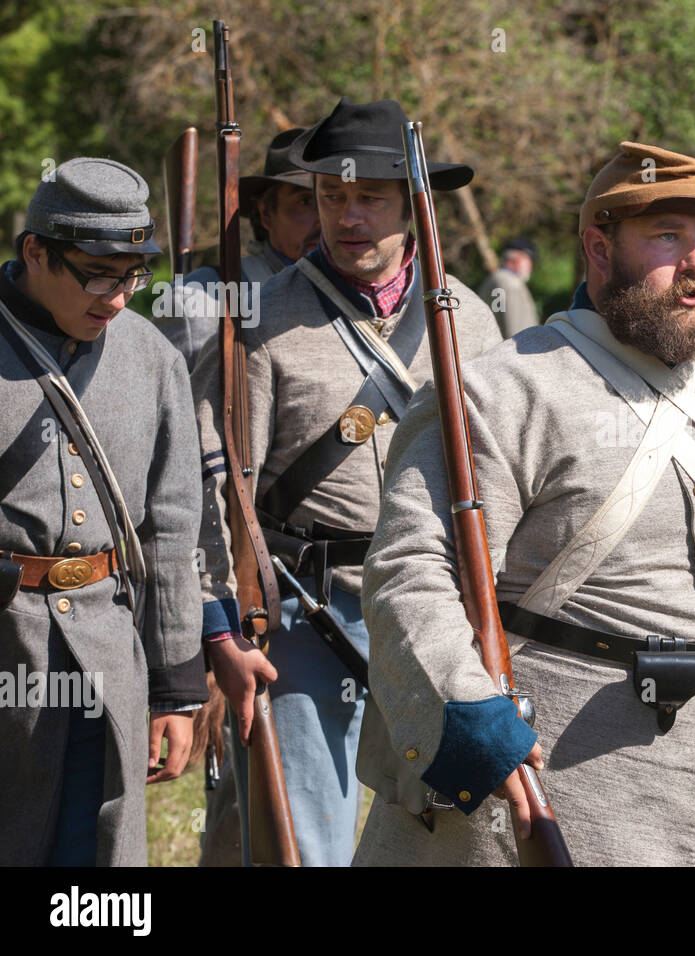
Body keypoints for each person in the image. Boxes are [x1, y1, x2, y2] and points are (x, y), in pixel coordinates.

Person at [353, 141, 695, 867]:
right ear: (599, 248)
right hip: (588, 780)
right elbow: (412, 571)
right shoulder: (499, 391)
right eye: (668, 237)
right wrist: (468, 714)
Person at [191, 97, 501, 866]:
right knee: (303, 837)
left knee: (449, 829)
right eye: (332, 196)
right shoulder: (258, 320)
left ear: (413, 205)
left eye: (370, 197)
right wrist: (218, 624)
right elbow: (212, 482)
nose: (348, 215)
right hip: (303, 606)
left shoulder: (469, 319)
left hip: (434, 606)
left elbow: (505, 476)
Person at [0, 158, 210, 864]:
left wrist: (176, 689)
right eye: (96, 272)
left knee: (95, 863)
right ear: (36, 250)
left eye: (131, 275)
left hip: (108, 656)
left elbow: (174, 527)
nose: (118, 298)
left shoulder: (154, 358)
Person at [158, 127, 320, 371]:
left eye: (332, 200)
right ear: (266, 213)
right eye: (305, 202)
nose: (324, 220)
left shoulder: (358, 294)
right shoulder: (199, 301)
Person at [477, 236, 539, 338]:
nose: (531, 266)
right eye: (530, 260)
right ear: (519, 258)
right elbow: (516, 332)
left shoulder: (496, 278)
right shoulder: (510, 283)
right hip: (509, 351)